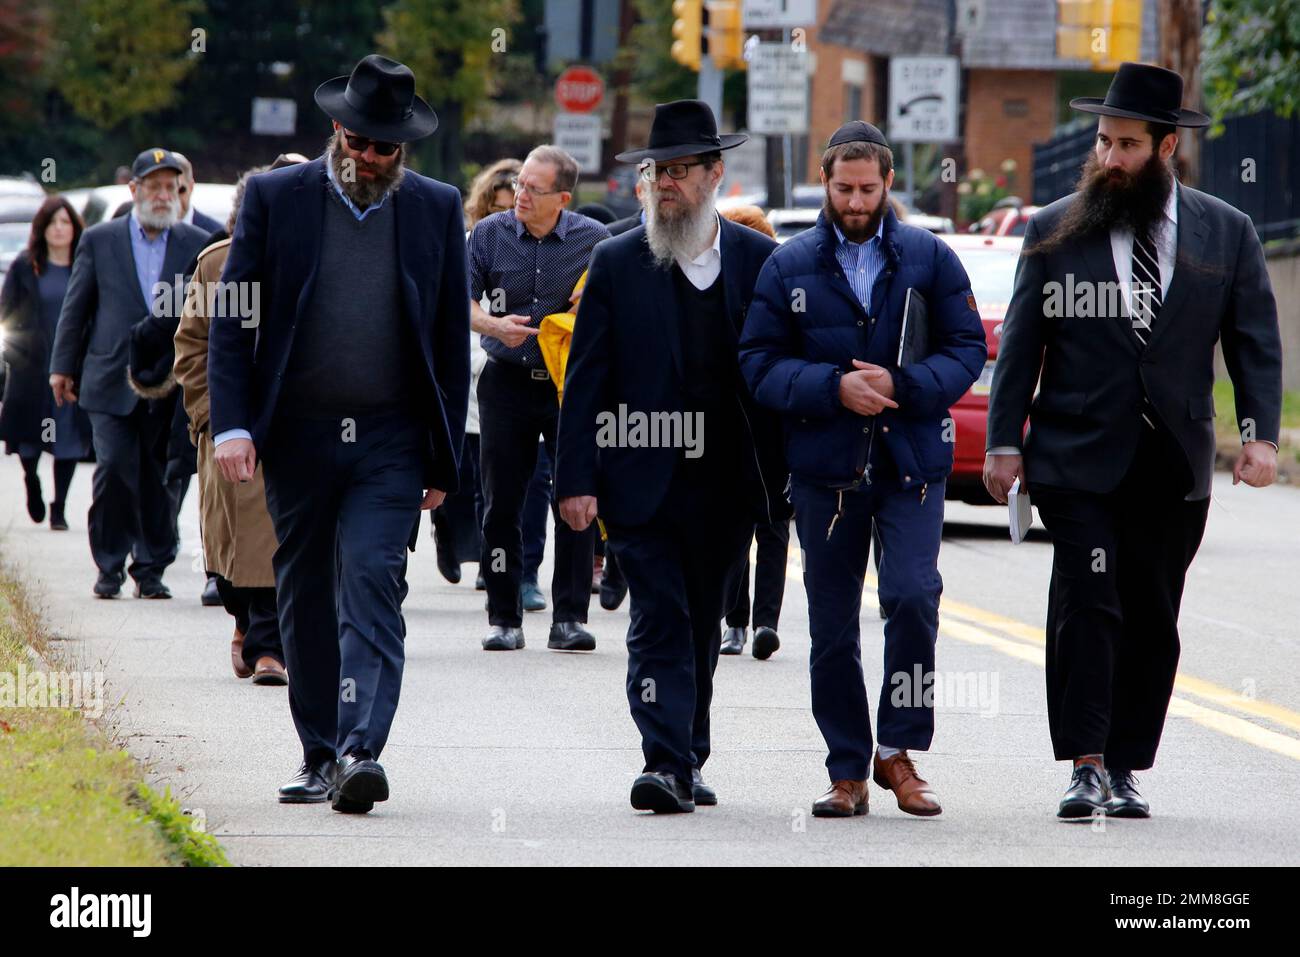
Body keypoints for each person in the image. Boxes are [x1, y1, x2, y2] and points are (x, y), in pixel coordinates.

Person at [983, 63, 1283, 819]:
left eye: (1125, 144)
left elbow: (1253, 342)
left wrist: (1261, 436)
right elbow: (1022, 344)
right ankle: (1084, 762)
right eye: (1102, 141)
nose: (1108, 158)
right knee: (1089, 602)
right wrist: (1004, 443)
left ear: (1165, 148)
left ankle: (1125, 764)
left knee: (1152, 612)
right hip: (1078, 458)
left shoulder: (1227, 231)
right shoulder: (1055, 228)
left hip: (1172, 463)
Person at [208, 55, 470, 813]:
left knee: (371, 578)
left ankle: (361, 749)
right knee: (305, 588)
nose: (369, 157)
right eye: (358, 142)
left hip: (389, 437)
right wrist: (232, 423)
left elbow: (449, 341)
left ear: (403, 149)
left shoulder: (432, 206)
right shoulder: (275, 198)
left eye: (384, 148)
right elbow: (236, 322)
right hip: (298, 430)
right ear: (336, 130)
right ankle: (319, 750)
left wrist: (443, 452)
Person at [740, 121, 987, 819]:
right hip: (826, 471)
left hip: (910, 463)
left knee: (912, 595)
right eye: (844, 188)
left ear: (887, 186)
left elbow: (966, 345)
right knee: (832, 626)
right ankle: (846, 766)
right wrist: (831, 387)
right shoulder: (788, 266)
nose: (855, 200)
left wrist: (905, 383)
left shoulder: (928, 256)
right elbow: (757, 362)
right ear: (825, 182)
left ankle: (898, 753)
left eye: (868, 188)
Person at [556, 100, 788, 813]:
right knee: (656, 617)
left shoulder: (761, 262)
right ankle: (664, 759)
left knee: (699, 621)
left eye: (681, 171)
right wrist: (575, 478)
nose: (666, 183)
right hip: (639, 477)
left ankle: (690, 749)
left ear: (715, 174)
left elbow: (781, 372)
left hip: (725, 482)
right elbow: (587, 378)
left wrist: (787, 480)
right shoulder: (617, 261)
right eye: (658, 171)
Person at [49, 148, 210, 599]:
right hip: (109, 377)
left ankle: (152, 567)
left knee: (163, 478)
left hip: (170, 382)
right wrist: (62, 366)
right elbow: (76, 307)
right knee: (116, 469)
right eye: (153, 186)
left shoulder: (198, 241)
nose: (163, 195)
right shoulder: (100, 240)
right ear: (134, 189)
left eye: (170, 186)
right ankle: (109, 564)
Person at [468, 144, 608, 652]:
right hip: (505, 381)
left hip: (568, 387)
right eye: (520, 183)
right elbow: (460, 298)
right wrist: (492, 324)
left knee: (575, 498)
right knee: (502, 502)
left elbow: (613, 309)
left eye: (533, 188)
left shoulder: (595, 242)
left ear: (563, 198)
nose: (519, 193)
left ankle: (569, 617)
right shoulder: (489, 234)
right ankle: (504, 617)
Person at [174, 157, 303, 686]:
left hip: (298, 426)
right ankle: (246, 625)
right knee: (233, 553)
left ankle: (271, 645)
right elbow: (190, 350)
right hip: (231, 427)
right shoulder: (215, 264)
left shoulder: (313, 263)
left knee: (277, 540)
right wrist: (210, 420)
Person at [717, 205, 788, 660]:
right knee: (755, 526)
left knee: (766, 522)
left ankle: (750, 625)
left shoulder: (777, 282)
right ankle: (749, 621)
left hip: (769, 415)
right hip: (735, 416)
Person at [0, 196, 93, 529]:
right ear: (42, 228)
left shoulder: (84, 263)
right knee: (28, 439)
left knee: (66, 437)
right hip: (31, 366)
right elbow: (6, 309)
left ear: (74, 227)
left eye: (65, 222)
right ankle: (32, 482)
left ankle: (59, 507)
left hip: (69, 366)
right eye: (52, 222)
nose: (58, 228)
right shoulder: (26, 265)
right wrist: (15, 353)